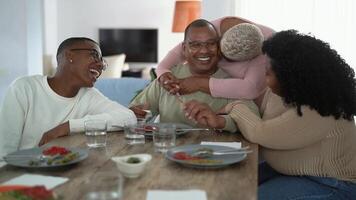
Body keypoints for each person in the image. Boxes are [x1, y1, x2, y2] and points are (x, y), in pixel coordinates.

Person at [183, 30, 356, 199]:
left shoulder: (321, 109)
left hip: (330, 183)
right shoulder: (282, 93)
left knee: (247, 195)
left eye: (268, 73)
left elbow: (260, 132)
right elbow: (255, 118)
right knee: (228, 184)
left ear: (289, 77)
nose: (263, 78)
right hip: (291, 172)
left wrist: (233, 106)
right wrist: (220, 119)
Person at [0, 37, 136, 160]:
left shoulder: (89, 95)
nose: (100, 65)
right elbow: (4, 152)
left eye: (102, 61)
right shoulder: (24, 88)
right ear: (69, 56)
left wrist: (68, 127)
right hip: (21, 174)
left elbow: (128, 117)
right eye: (95, 55)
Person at [129, 19, 257, 131]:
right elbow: (133, 112)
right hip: (168, 151)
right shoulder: (168, 78)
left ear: (219, 47)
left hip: (214, 154)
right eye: (195, 45)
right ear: (184, 49)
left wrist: (219, 121)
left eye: (211, 44)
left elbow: (253, 122)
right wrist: (135, 114)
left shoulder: (232, 81)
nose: (204, 50)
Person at [156, 16, 275, 104]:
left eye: (230, 60)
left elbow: (250, 89)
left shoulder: (263, 50)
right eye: (216, 46)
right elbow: (166, 63)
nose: (205, 51)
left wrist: (199, 83)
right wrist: (163, 74)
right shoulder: (210, 30)